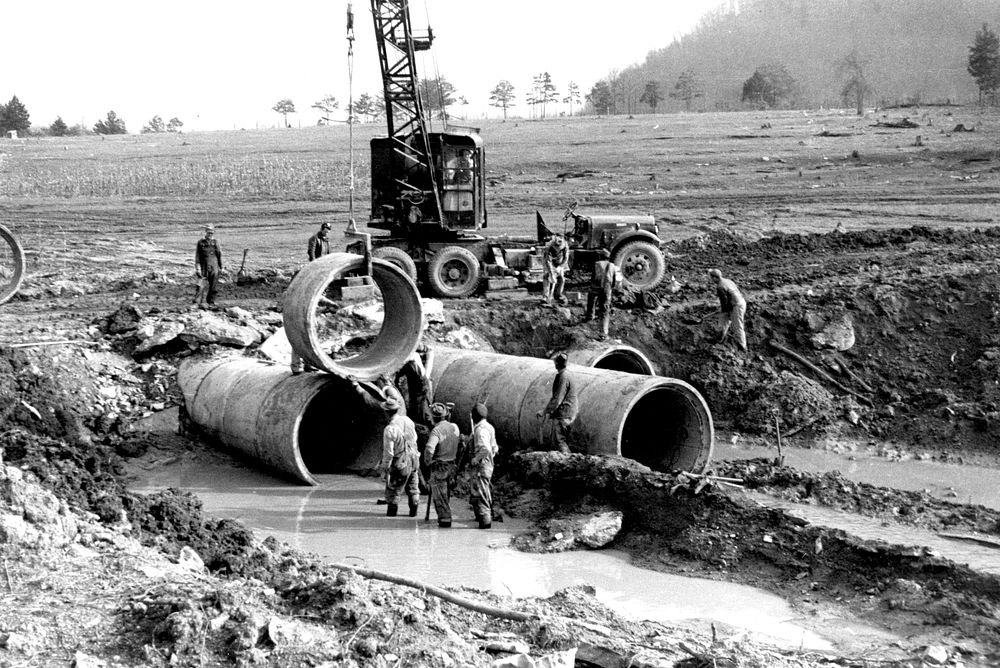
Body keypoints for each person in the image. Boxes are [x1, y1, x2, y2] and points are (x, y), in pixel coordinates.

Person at [379, 397, 420, 517]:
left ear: (386, 412)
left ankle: (392, 518)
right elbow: (415, 439)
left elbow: (389, 453)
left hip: (400, 461)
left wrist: (385, 468)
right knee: (413, 487)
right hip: (414, 458)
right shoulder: (408, 420)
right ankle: (413, 514)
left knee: (394, 491)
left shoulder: (390, 429)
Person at [423, 402, 461, 527]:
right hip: (452, 466)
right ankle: (445, 517)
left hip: (439, 466)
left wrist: (428, 461)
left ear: (433, 417)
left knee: (439, 496)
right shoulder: (454, 427)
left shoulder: (436, 430)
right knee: (445, 495)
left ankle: (445, 521)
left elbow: (429, 448)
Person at [536, 353, 578, 453]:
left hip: (564, 414)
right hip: (568, 412)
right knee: (560, 441)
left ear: (556, 364)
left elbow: (558, 399)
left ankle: (566, 462)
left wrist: (544, 411)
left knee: (560, 441)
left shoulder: (563, 377)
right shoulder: (567, 374)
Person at [468, 402, 498, 529]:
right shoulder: (489, 427)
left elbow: (485, 448)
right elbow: (494, 448)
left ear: (475, 417)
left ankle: (485, 521)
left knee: (481, 493)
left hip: (481, 465)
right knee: (481, 490)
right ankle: (481, 516)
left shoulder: (480, 430)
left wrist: (476, 459)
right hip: (488, 464)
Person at [708, 268, 748, 351]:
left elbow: (724, 301)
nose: (711, 280)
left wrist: (724, 309)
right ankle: (719, 338)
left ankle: (743, 346)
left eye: (711, 278)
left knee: (737, 326)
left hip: (738, 305)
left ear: (715, 278)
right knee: (723, 319)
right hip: (736, 302)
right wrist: (725, 309)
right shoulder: (728, 280)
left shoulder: (720, 287)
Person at [584, 248, 618, 339]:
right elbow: (614, 281)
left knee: (591, 299)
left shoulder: (597, 264)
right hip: (607, 289)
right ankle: (603, 333)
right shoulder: (612, 266)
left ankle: (590, 316)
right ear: (608, 258)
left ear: (600, 257)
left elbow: (593, 278)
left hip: (596, 287)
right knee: (605, 310)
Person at [194, 224, 223, 307]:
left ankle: (211, 302)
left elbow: (219, 255)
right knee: (200, 284)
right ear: (206, 232)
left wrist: (221, 267)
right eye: (208, 232)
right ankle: (197, 302)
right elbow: (197, 256)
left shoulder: (215, 242)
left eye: (211, 233)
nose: (210, 234)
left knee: (213, 285)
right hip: (203, 266)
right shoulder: (201, 242)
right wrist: (197, 268)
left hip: (214, 266)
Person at [542, 234, 569, 305]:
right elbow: (548, 261)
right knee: (547, 277)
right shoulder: (549, 248)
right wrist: (551, 274)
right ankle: (546, 296)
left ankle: (558, 295)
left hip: (560, 262)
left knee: (561, 278)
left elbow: (566, 258)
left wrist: (560, 267)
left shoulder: (565, 245)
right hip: (550, 264)